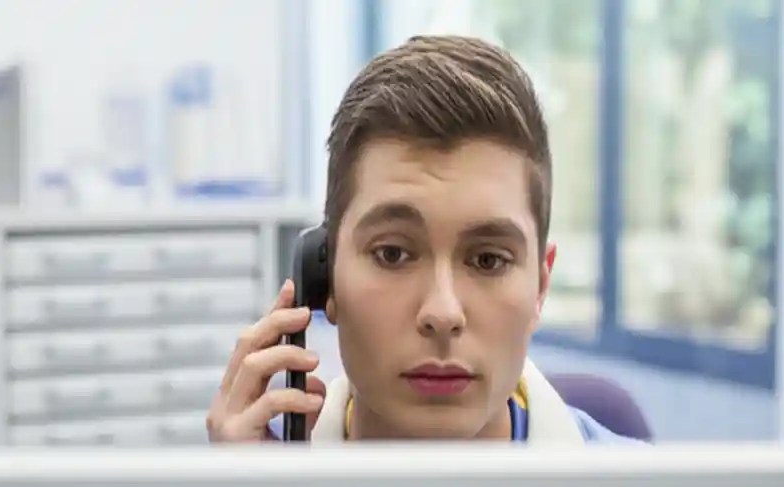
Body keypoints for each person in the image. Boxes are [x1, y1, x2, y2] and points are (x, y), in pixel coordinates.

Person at [207, 34, 639, 445]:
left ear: (540, 286)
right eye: (392, 254)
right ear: (326, 278)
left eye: (488, 260)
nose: (442, 313)